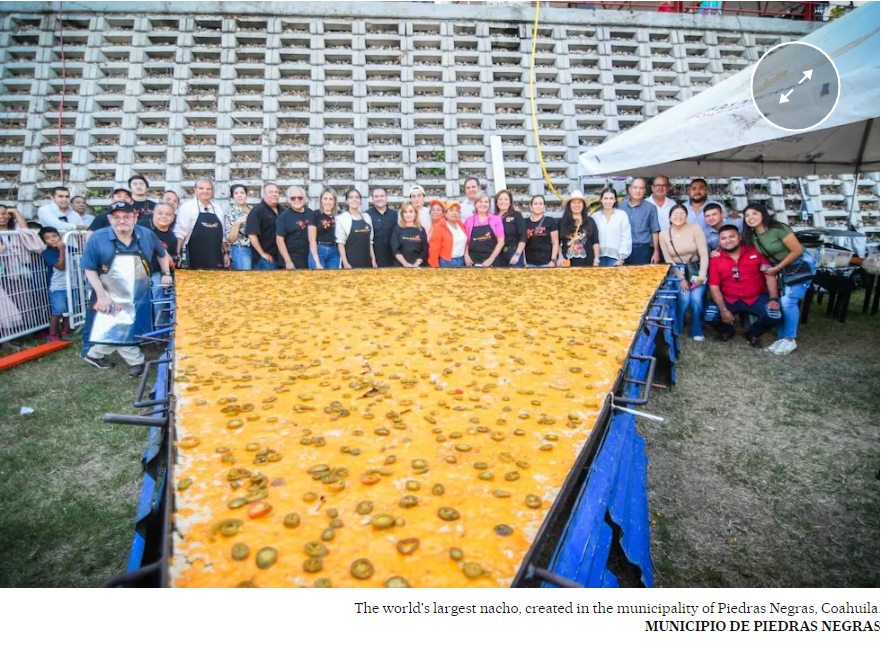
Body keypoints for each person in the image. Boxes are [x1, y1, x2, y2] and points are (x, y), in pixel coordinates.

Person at [81, 201, 172, 376]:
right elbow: (89, 269)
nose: (122, 221)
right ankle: (136, 360)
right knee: (121, 324)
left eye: (126, 217)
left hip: (138, 292)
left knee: (130, 324)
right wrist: (101, 296)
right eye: (117, 217)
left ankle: (94, 354)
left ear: (135, 218)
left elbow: (162, 254)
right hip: (109, 292)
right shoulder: (98, 238)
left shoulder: (146, 234)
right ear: (110, 219)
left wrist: (166, 272)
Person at [742, 202, 816, 356]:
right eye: (747, 215)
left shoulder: (778, 229)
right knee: (782, 302)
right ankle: (782, 338)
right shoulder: (753, 235)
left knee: (789, 300)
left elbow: (796, 251)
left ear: (763, 214)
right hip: (780, 269)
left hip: (799, 265)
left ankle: (789, 339)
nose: (750, 218)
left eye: (754, 214)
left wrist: (777, 268)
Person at [707, 225, 782, 348]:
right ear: (719, 241)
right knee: (709, 315)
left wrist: (773, 298)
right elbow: (714, 285)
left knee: (775, 315)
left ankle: (753, 333)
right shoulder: (715, 258)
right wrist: (723, 309)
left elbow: (769, 276)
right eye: (723, 238)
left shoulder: (755, 251)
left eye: (732, 236)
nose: (728, 240)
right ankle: (727, 331)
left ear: (740, 237)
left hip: (755, 297)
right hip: (729, 298)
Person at [659, 203, 709, 341]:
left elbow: (704, 253)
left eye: (682, 214)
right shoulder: (664, 234)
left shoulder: (695, 229)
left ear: (687, 216)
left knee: (696, 300)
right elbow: (669, 260)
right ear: (669, 218)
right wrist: (681, 278)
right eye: (675, 214)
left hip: (696, 268)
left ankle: (696, 330)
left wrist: (702, 275)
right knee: (684, 299)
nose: (679, 217)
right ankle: (678, 327)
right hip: (677, 270)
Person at [139, 203, 177, 327]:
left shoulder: (172, 237)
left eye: (168, 214)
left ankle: (160, 329)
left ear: (173, 217)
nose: (164, 217)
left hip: (157, 271)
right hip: (135, 269)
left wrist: (169, 264)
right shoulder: (142, 225)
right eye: (160, 213)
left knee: (160, 288)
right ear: (153, 214)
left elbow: (172, 261)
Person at [175, 178, 226, 269]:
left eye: (208, 189)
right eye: (201, 188)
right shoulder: (187, 207)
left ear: (212, 191)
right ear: (195, 190)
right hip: (194, 254)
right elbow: (180, 233)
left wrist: (226, 253)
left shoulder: (217, 209)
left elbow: (222, 236)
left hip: (216, 255)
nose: (205, 191)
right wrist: (177, 253)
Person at [38, 227, 72, 342]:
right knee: (58, 311)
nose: (52, 240)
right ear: (44, 242)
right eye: (47, 238)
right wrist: (62, 250)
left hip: (72, 285)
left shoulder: (71, 248)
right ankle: (52, 334)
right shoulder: (47, 253)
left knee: (68, 310)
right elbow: (61, 267)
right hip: (57, 287)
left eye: (54, 236)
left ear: (59, 236)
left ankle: (65, 332)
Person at [620, 178, 660, 265]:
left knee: (640, 276)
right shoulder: (620, 206)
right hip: (622, 248)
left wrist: (656, 252)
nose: (638, 191)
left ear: (645, 191)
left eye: (641, 188)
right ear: (629, 189)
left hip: (642, 249)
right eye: (635, 187)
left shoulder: (650, 208)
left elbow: (655, 231)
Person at [336, 189, 376, 269]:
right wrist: (345, 263)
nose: (354, 200)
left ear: (360, 201)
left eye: (357, 197)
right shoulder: (342, 218)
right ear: (347, 201)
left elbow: (370, 242)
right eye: (351, 197)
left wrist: (373, 260)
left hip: (366, 262)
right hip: (350, 262)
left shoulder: (367, 217)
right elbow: (340, 243)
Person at [558, 190, 600, 267]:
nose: (576, 205)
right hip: (567, 264)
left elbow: (595, 242)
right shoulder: (562, 222)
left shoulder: (590, 221)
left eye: (579, 202)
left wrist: (596, 260)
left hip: (587, 263)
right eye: (573, 202)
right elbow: (556, 242)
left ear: (583, 205)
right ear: (569, 205)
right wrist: (560, 258)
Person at [592, 187, 632, 266]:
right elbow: (592, 238)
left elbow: (626, 237)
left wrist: (621, 258)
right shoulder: (595, 217)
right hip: (598, 258)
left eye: (611, 198)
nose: (608, 201)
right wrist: (595, 259)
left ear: (615, 200)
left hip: (615, 258)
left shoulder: (622, 215)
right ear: (601, 200)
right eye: (605, 198)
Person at [245, 183, 282, 270]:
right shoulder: (257, 211)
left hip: (280, 258)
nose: (274, 194)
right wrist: (262, 253)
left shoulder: (283, 211)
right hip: (266, 259)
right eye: (271, 192)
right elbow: (252, 234)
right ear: (264, 195)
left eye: (276, 192)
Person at [276, 186, 313, 270]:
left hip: (308, 259)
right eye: (293, 198)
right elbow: (279, 240)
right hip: (292, 260)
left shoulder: (311, 213)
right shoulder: (283, 217)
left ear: (305, 199)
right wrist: (288, 261)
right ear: (289, 200)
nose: (297, 200)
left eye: (300, 198)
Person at [308, 187, 341, 270]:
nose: (328, 202)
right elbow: (312, 239)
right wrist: (317, 262)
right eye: (325, 199)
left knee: (332, 280)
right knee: (318, 279)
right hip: (319, 250)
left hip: (334, 251)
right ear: (321, 201)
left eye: (331, 199)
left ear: (334, 202)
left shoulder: (340, 216)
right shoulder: (315, 214)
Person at [524, 195, 560, 268]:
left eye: (540, 204)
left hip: (547, 262)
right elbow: (522, 243)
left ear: (544, 207)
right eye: (535, 204)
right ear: (531, 206)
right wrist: (524, 261)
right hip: (530, 263)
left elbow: (555, 242)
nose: (538, 206)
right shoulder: (524, 222)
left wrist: (553, 260)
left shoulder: (550, 221)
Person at [390, 200, 428, 268]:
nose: (408, 215)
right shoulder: (397, 229)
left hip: (418, 267)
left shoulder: (421, 230)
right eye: (405, 212)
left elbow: (424, 250)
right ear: (402, 214)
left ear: (415, 213)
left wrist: (416, 264)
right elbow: (395, 250)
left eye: (410, 211)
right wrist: (406, 264)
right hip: (400, 266)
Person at [429, 202, 467, 267]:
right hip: (447, 262)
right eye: (451, 210)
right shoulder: (440, 227)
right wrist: (434, 266)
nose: (454, 213)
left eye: (457, 211)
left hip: (462, 260)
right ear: (445, 213)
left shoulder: (461, 225)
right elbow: (434, 249)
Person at [367, 187, 398, 268]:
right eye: (376, 196)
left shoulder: (395, 215)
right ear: (372, 199)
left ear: (386, 198)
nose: (379, 198)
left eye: (382, 196)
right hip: (373, 260)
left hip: (393, 259)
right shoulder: (366, 216)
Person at [224, 184, 252, 271]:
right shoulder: (231, 213)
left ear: (246, 195)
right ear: (233, 197)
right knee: (244, 278)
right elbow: (230, 239)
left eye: (242, 193)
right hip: (241, 250)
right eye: (236, 193)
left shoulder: (252, 209)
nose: (239, 195)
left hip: (254, 248)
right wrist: (237, 223)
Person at [495, 190, 526, 267]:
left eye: (506, 199)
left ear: (510, 202)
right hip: (498, 255)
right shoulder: (492, 218)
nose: (503, 201)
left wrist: (517, 254)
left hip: (513, 253)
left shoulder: (517, 215)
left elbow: (523, 237)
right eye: (500, 199)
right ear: (496, 202)